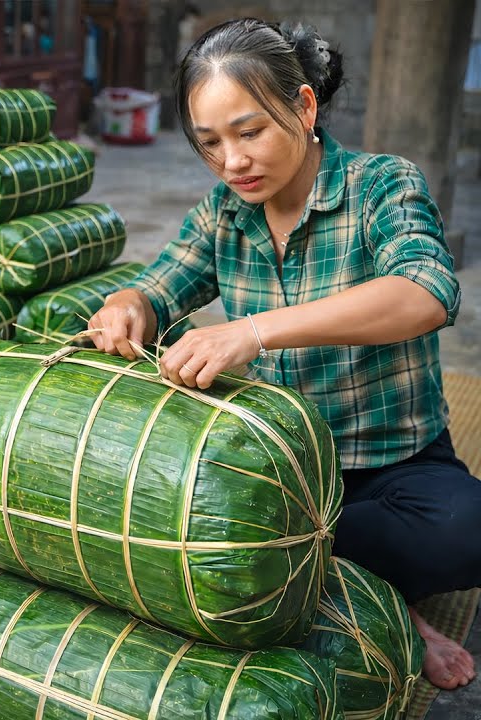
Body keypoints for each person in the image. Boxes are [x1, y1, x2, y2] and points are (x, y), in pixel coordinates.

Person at [88, 18, 481, 691]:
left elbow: (426, 291)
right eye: (209, 143)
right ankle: (374, 597)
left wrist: (254, 331)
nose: (232, 162)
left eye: (249, 132)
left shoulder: (383, 185)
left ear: (303, 107)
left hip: (392, 466)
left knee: (463, 530)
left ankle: (328, 584)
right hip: (278, 469)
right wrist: (129, 305)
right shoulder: (221, 214)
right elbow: (159, 288)